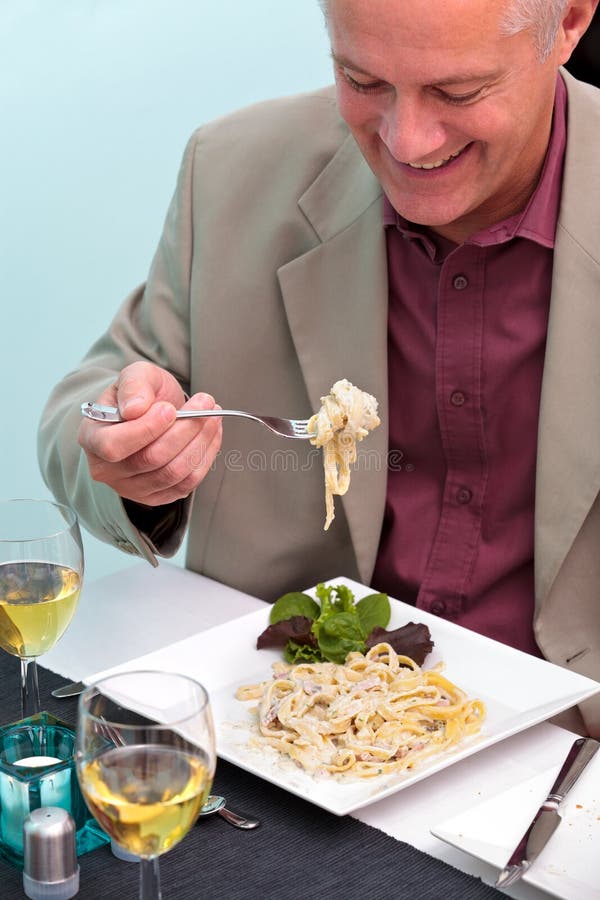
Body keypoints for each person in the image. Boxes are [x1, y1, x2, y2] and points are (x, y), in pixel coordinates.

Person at [38, 0, 600, 736]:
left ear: (570, 23)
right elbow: (81, 412)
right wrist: (134, 462)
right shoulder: (232, 168)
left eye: (457, 93)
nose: (408, 140)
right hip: (282, 730)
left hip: (569, 751)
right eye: (361, 80)